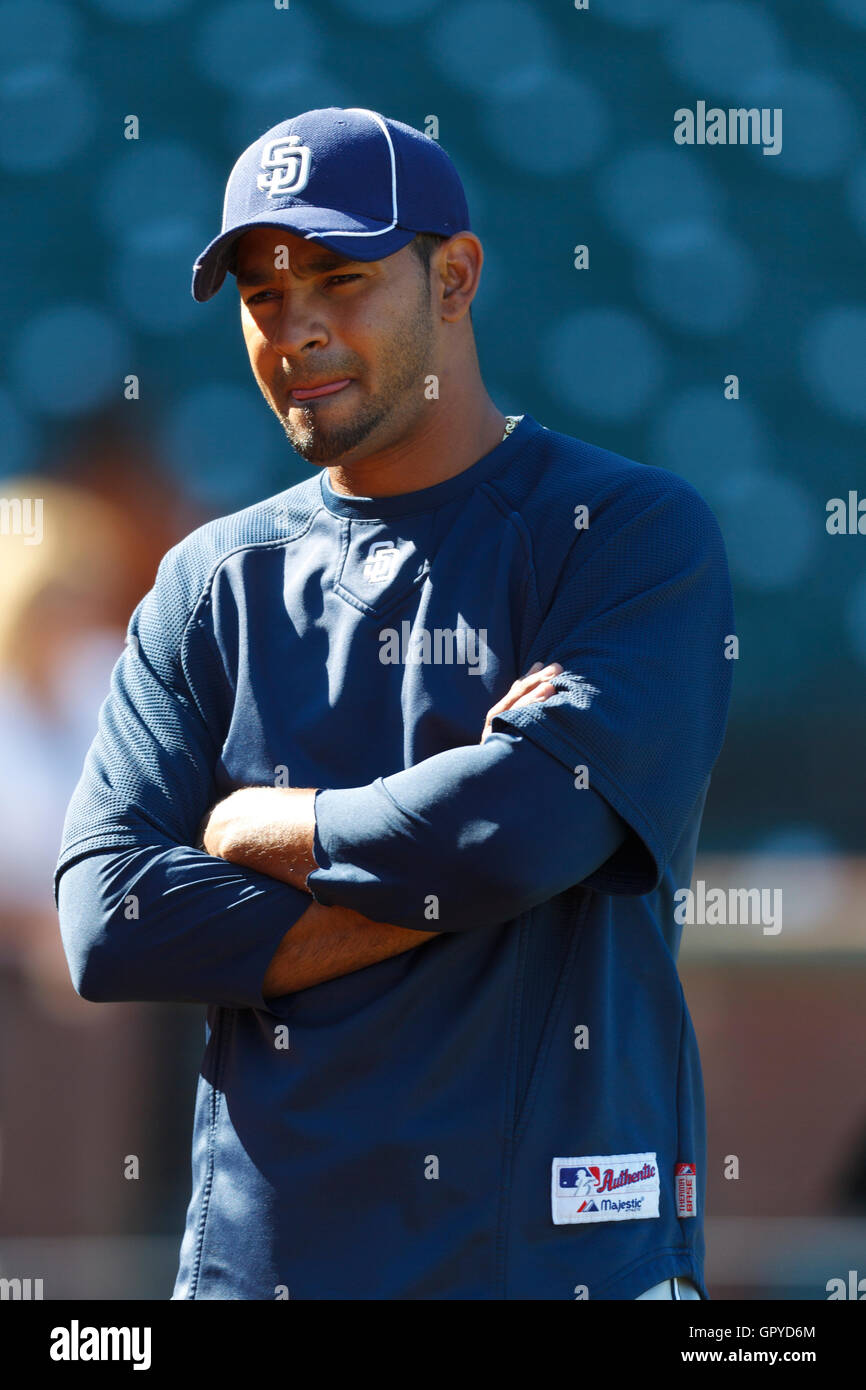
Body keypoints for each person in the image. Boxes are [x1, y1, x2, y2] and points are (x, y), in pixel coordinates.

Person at [56, 107, 733, 1300]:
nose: (297, 328)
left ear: (455, 276)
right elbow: (109, 922)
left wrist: (266, 829)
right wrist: (474, 861)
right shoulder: (209, 583)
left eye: (340, 277)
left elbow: (526, 823)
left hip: (558, 1263)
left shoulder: (626, 532)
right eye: (264, 298)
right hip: (265, 1270)